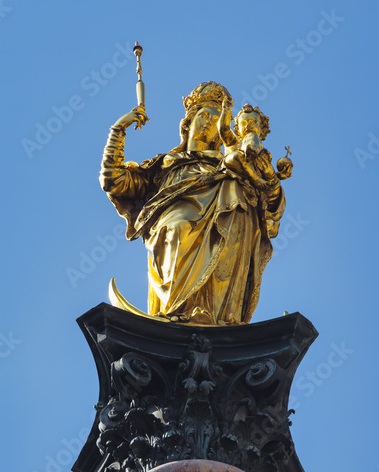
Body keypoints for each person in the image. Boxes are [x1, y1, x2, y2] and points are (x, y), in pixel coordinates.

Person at [100, 81, 286, 325]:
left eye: (217, 119)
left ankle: (223, 317)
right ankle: (178, 311)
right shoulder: (165, 165)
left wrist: (270, 180)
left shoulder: (232, 165)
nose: (209, 122)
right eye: (204, 115)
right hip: (175, 220)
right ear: (188, 121)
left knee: (236, 210)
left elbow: (272, 208)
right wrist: (118, 130)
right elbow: (113, 181)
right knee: (179, 227)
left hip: (235, 226)